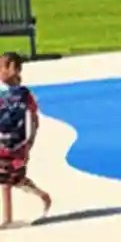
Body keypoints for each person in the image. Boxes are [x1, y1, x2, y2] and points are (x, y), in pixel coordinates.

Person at [0, 53, 51, 227]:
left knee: (6, 179)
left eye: (2, 67)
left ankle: (7, 219)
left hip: (17, 143)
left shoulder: (24, 94)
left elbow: (33, 119)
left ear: (13, 69)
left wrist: (29, 143)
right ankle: (42, 195)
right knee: (12, 179)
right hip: (1, 140)